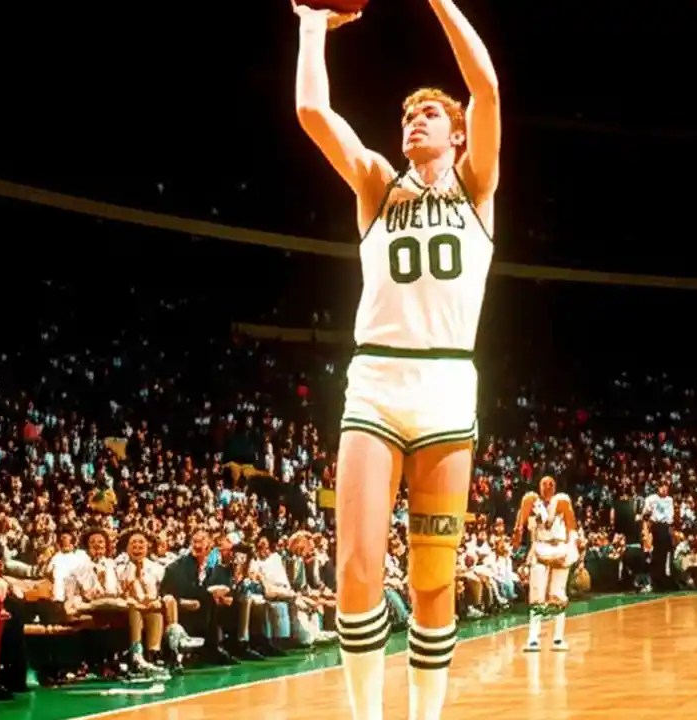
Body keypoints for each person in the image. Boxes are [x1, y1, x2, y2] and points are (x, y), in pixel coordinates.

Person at [291, 1, 501, 718]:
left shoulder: (476, 187)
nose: (414, 121)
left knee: (433, 581)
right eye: (408, 115)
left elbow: (488, 88)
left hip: (446, 389)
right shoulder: (378, 184)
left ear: (457, 133)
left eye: (429, 115)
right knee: (355, 568)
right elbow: (314, 112)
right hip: (376, 385)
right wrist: (312, 23)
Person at [512, 476, 579, 652]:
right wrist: (519, 530)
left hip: (559, 549)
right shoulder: (531, 502)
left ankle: (558, 638)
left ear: (555, 487)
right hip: (540, 549)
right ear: (539, 486)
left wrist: (573, 547)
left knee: (558, 594)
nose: (548, 487)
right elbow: (520, 531)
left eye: (551, 484)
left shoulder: (563, 502)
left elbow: (572, 528)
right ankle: (533, 638)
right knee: (536, 594)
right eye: (544, 484)